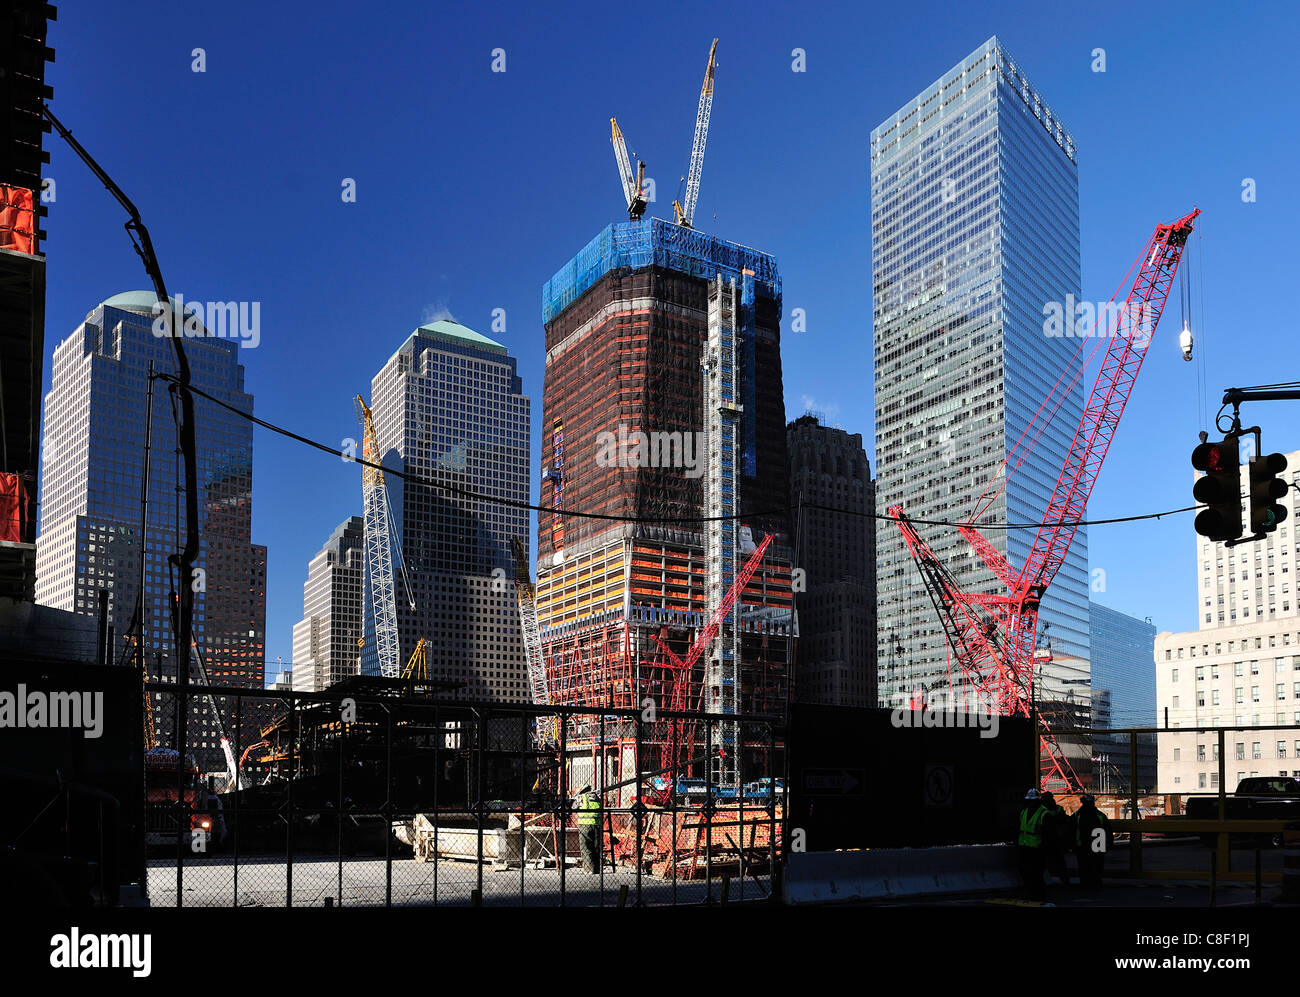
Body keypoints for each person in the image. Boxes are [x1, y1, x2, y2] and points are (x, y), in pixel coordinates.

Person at [1071, 794, 1112, 888]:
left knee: (1084, 867)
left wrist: (1072, 845)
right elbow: (1108, 830)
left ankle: (1086, 885)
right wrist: (1108, 843)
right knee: (1096, 867)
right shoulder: (1100, 815)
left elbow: (1071, 830)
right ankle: (1095, 885)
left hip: (1082, 846)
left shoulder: (1077, 816)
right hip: (1097, 846)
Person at [1015, 788, 1046, 899]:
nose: (1031, 803)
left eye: (1033, 800)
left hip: (1037, 848)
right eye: (1030, 800)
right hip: (1024, 846)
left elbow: (1048, 834)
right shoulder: (1024, 812)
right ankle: (1031, 892)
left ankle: (1039, 893)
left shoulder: (1043, 813)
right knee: (1026, 871)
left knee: (1036, 873)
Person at [1038, 792, 1070, 886]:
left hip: (1047, 840)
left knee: (1045, 862)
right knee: (1060, 862)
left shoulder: (1041, 810)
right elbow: (1063, 821)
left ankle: (1045, 881)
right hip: (1056, 839)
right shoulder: (1058, 809)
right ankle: (1064, 880)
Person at [575, 784, 602, 874]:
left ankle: (589, 869)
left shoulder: (581, 798)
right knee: (596, 847)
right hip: (597, 825)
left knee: (586, 848)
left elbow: (573, 807)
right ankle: (598, 869)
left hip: (585, 825)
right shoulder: (597, 797)